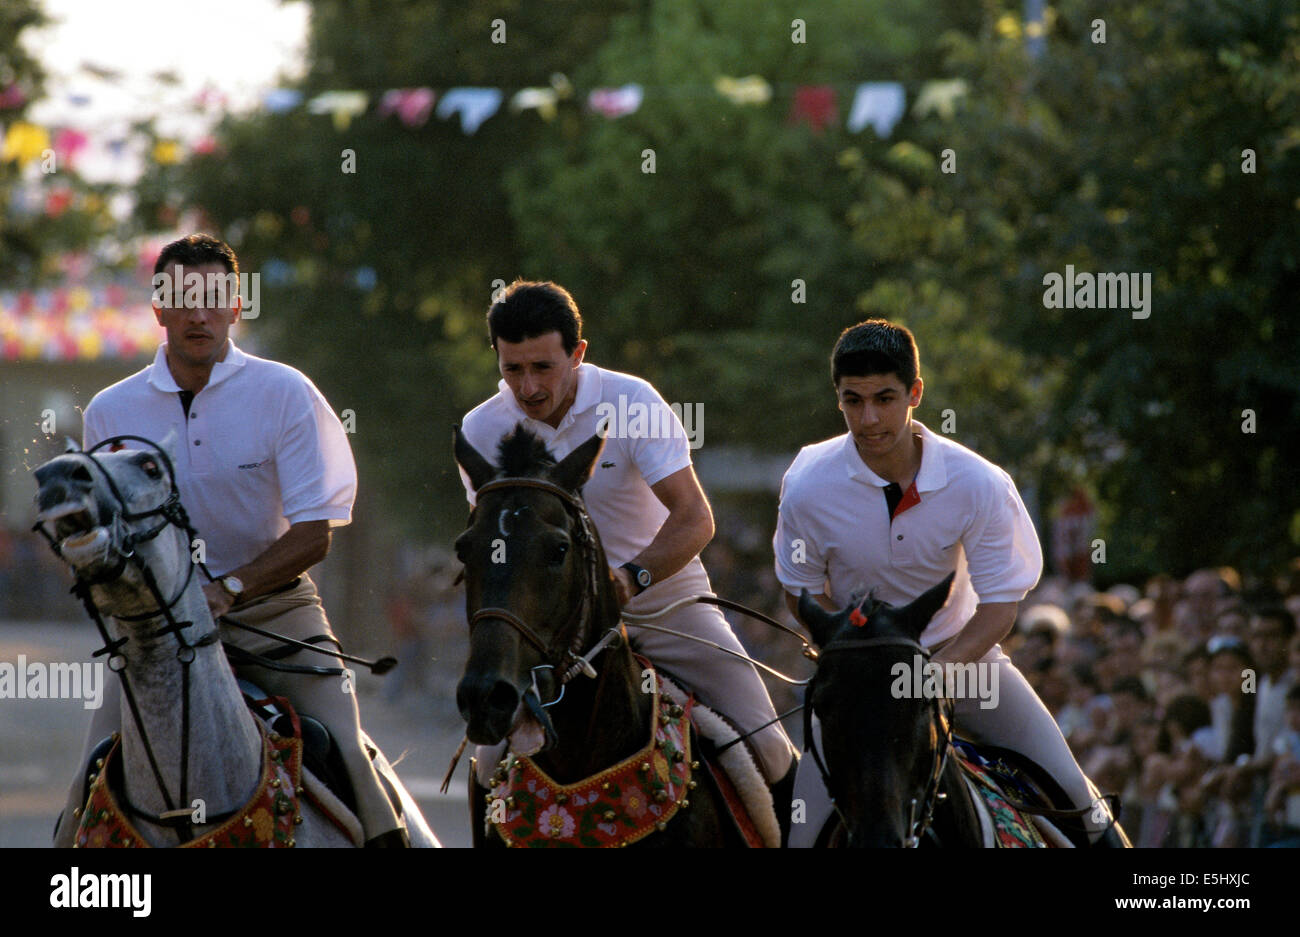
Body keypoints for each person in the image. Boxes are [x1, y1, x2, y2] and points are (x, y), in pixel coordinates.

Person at [54, 233, 406, 847]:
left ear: (236, 306)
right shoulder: (111, 411)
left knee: (349, 750)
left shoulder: (286, 393)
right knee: (83, 791)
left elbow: (315, 532)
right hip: (155, 630)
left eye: (214, 297)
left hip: (276, 613)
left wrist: (227, 590)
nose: (199, 313)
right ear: (158, 308)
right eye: (183, 299)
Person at [774, 318, 1126, 846]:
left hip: (963, 663)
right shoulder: (806, 480)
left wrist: (931, 677)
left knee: (1084, 808)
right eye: (853, 400)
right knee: (800, 834)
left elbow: (1000, 609)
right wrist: (843, 648)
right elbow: (800, 587)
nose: (868, 419)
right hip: (861, 679)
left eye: (885, 398)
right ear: (838, 398)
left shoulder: (979, 483)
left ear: (915, 393)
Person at [457, 280, 797, 817]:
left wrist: (629, 579)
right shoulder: (479, 429)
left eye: (543, 367)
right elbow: (498, 549)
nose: (528, 387)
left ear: (578, 354)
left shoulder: (633, 401)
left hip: (665, 601)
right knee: (484, 765)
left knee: (770, 745)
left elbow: (695, 518)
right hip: (550, 624)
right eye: (512, 369)